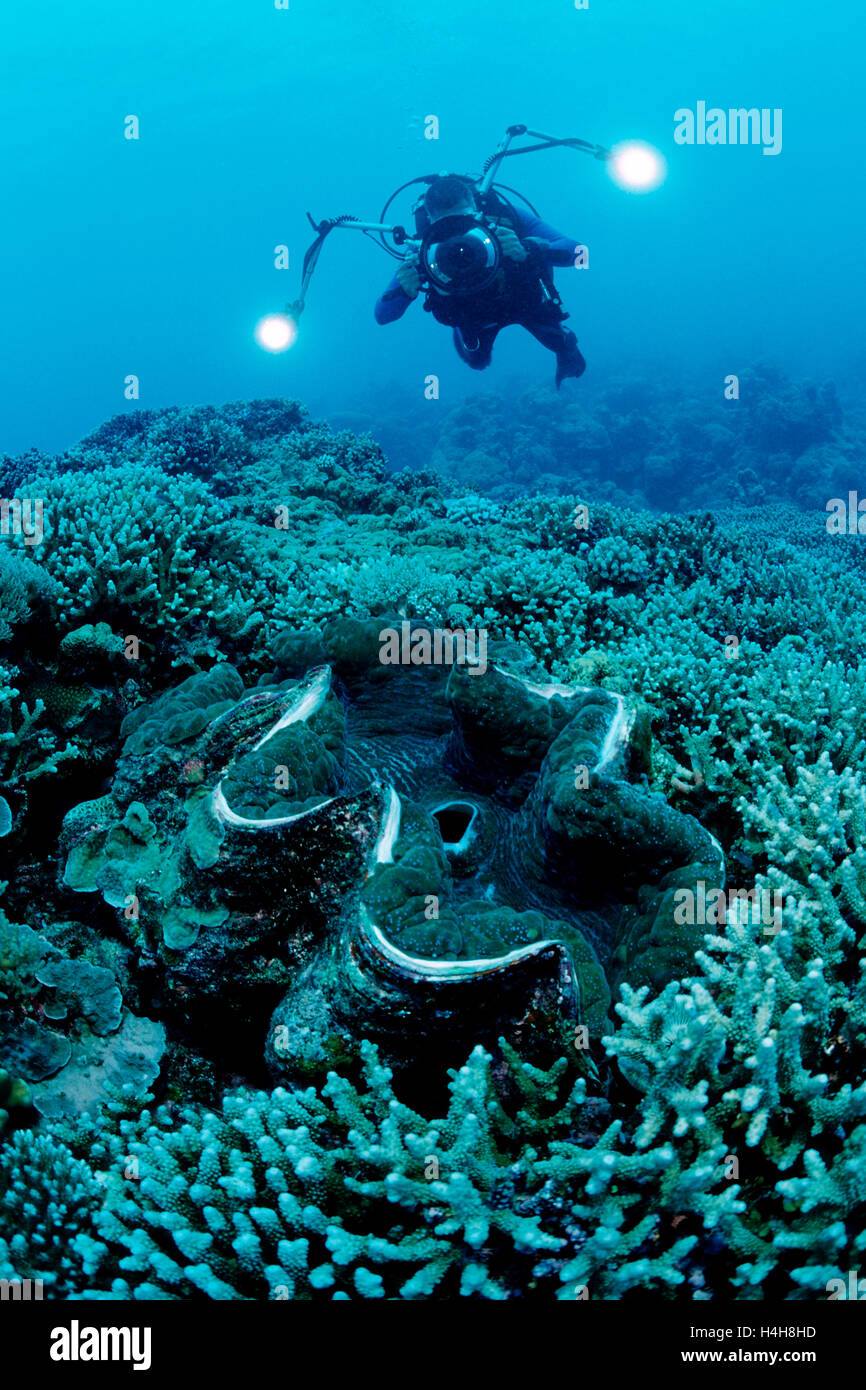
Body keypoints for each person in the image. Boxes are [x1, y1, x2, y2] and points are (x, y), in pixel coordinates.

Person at [374, 174, 586, 387]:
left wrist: (529, 248)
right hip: (473, 316)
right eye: (446, 226)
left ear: (475, 206)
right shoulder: (422, 248)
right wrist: (404, 290)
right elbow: (382, 315)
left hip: (523, 301)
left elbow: (580, 253)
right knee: (476, 361)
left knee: (561, 344)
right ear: (429, 218)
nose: (458, 234)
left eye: (464, 220)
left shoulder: (506, 218)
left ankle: (565, 345)